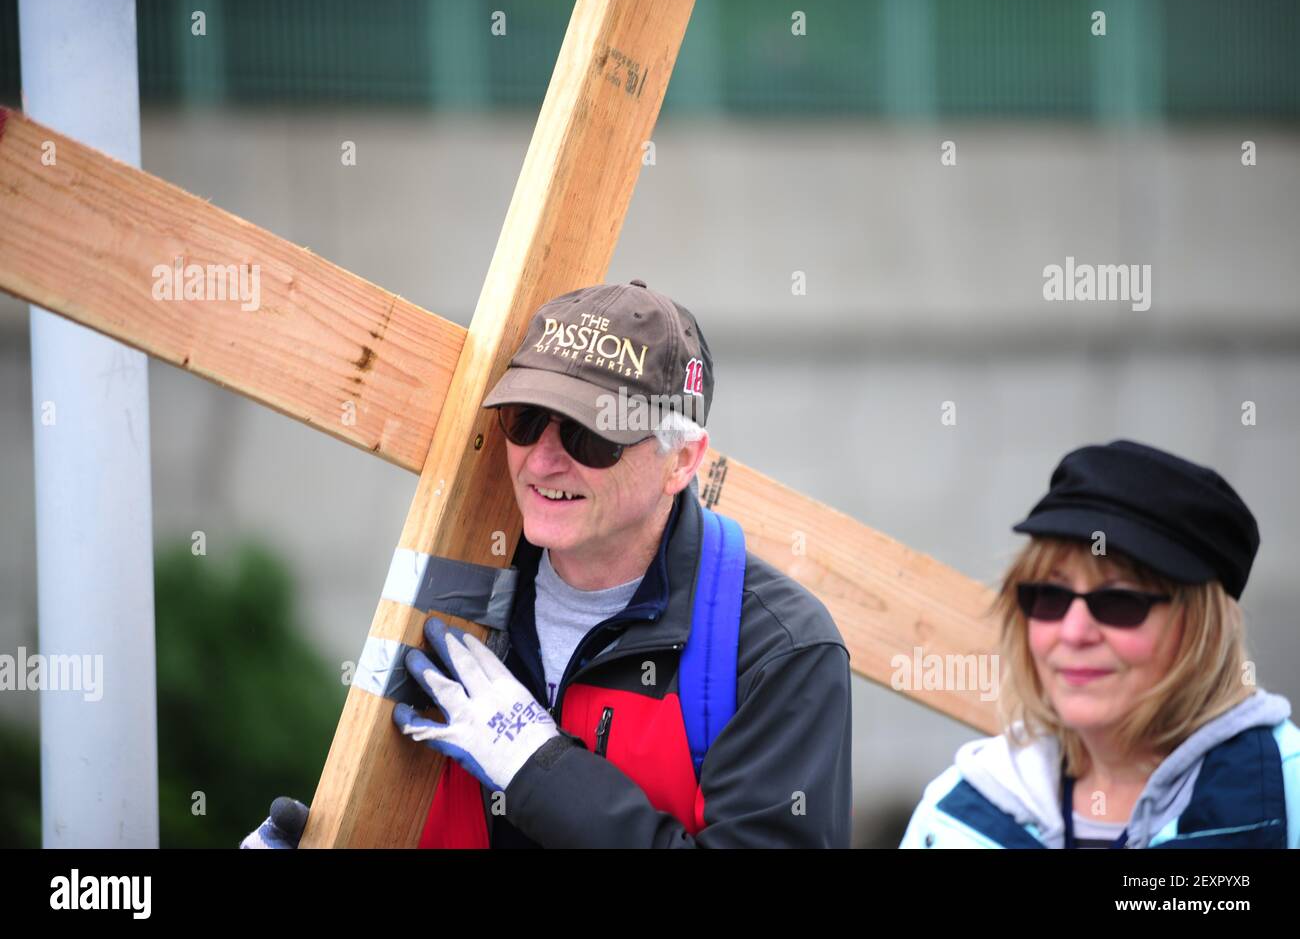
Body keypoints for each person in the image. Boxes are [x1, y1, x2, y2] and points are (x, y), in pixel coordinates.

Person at [244, 279, 852, 849]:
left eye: (591, 435)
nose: (542, 461)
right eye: (526, 420)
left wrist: (541, 770)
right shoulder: (456, 591)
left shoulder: (777, 651)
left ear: (682, 460)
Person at [900, 439, 1299, 849]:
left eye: (1119, 601)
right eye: (1050, 595)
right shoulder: (951, 819)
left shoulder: (1287, 792)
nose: (1073, 633)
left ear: (1203, 628)